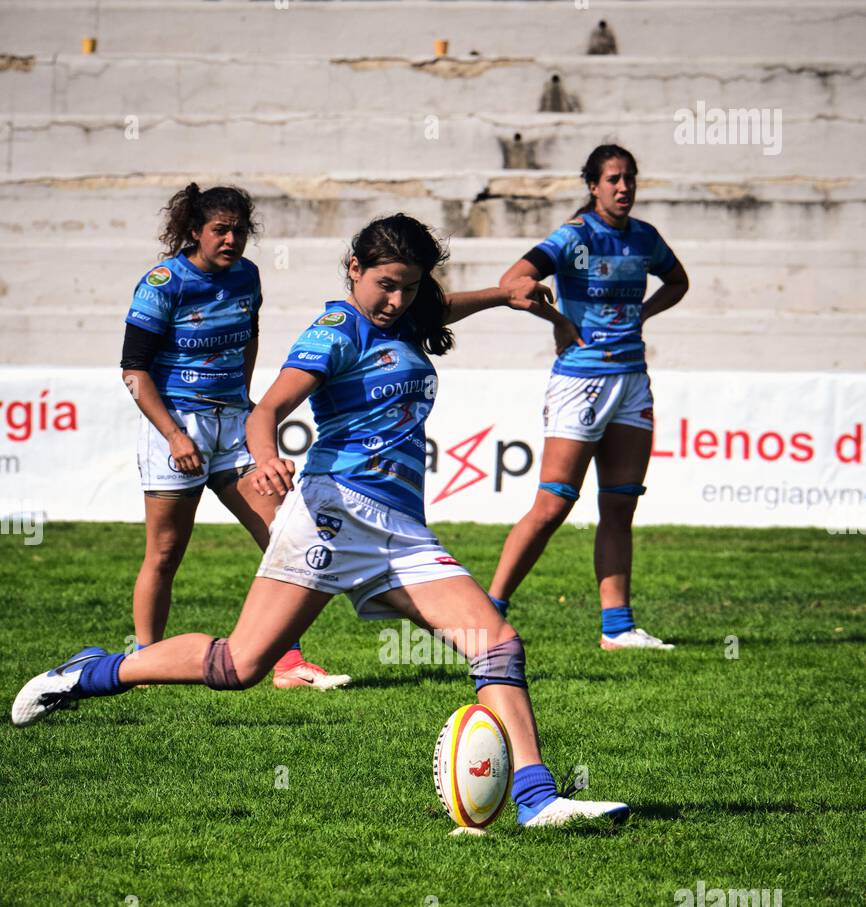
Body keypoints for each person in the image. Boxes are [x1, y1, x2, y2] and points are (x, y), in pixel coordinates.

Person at [13, 215, 628, 831]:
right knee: (238, 668)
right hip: (332, 517)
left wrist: (503, 296)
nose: (397, 300)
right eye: (386, 284)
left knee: (496, 644)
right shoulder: (337, 329)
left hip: (400, 531)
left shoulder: (407, 316)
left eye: (410, 287)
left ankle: (538, 801)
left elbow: (436, 309)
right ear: (354, 271)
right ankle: (90, 672)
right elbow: (271, 408)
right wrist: (265, 456)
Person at [120, 180, 348, 690]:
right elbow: (134, 370)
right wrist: (176, 436)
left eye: (239, 231)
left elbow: (251, 334)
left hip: (233, 425)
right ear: (194, 232)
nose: (231, 240)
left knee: (282, 539)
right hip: (175, 424)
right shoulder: (163, 283)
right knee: (165, 551)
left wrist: (246, 404)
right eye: (220, 230)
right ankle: (141, 663)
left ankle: (287, 664)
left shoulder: (247, 276)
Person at [487, 145, 689, 650]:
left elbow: (678, 281)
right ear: (593, 186)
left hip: (631, 381)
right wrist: (556, 319)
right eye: (614, 179)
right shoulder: (574, 236)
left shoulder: (644, 237)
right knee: (553, 505)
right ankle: (489, 611)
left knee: (620, 506)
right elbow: (513, 281)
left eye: (630, 178)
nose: (624, 187)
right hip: (580, 381)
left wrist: (643, 314)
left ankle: (617, 628)